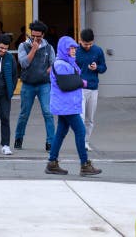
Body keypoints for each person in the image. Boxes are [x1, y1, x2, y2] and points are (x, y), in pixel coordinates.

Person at [44, 36, 102, 176]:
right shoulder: (61, 64)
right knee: (81, 131)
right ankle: (84, 164)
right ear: (64, 49)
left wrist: (80, 81)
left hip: (67, 104)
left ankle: (52, 163)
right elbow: (66, 84)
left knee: (61, 133)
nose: (74, 50)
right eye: (71, 48)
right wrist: (82, 83)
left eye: (75, 48)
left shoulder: (67, 62)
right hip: (66, 105)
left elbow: (72, 80)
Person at [14, 20, 56, 151]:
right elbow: (24, 63)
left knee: (48, 113)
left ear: (43, 35)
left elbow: (53, 64)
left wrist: (48, 70)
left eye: (38, 36)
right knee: (24, 113)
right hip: (28, 85)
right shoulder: (23, 46)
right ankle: (18, 138)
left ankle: (50, 142)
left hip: (44, 84)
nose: (35, 38)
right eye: (33, 36)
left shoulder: (49, 47)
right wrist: (33, 49)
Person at [76, 28, 107, 151]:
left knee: (90, 119)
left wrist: (97, 67)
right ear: (80, 41)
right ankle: (81, 142)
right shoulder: (76, 51)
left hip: (93, 88)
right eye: (85, 44)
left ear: (93, 41)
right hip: (79, 88)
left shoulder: (98, 51)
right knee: (81, 117)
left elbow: (104, 67)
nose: (88, 46)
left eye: (90, 44)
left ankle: (86, 141)